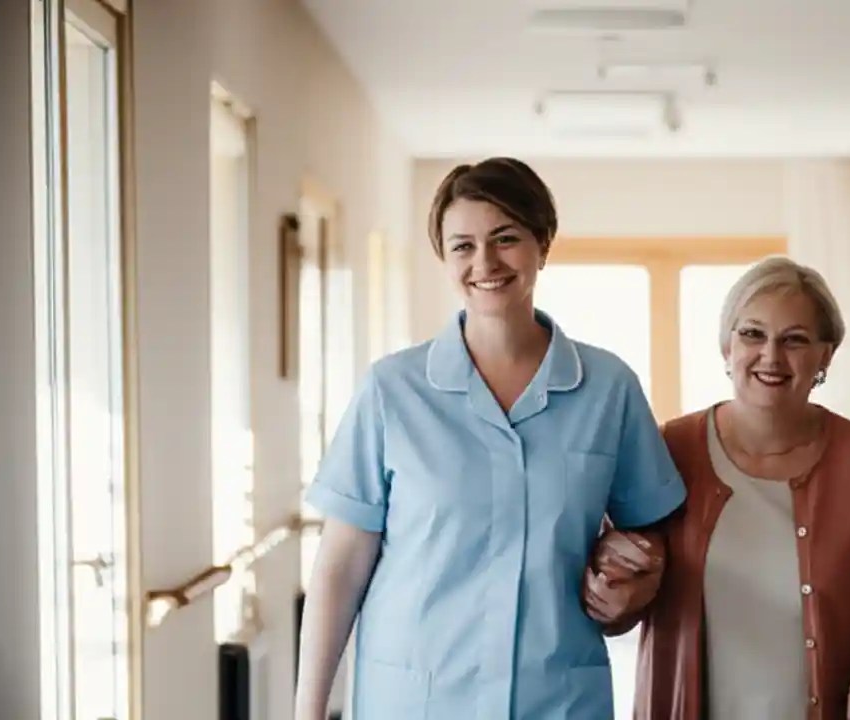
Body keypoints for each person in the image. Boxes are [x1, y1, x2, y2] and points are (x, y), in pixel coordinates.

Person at [294, 157, 687, 720]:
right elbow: (340, 566)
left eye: (506, 239)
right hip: (416, 697)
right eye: (463, 246)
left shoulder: (608, 389)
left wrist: (632, 583)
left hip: (556, 695)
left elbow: (650, 530)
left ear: (542, 245)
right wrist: (307, 712)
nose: (485, 262)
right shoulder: (392, 390)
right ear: (445, 258)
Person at [585, 256, 850, 720]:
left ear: (825, 355)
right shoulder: (670, 448)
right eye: (752, 334)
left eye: (795, 339)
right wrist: (612, 592)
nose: (771, 356)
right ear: (726, 346)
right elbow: (615, 595)